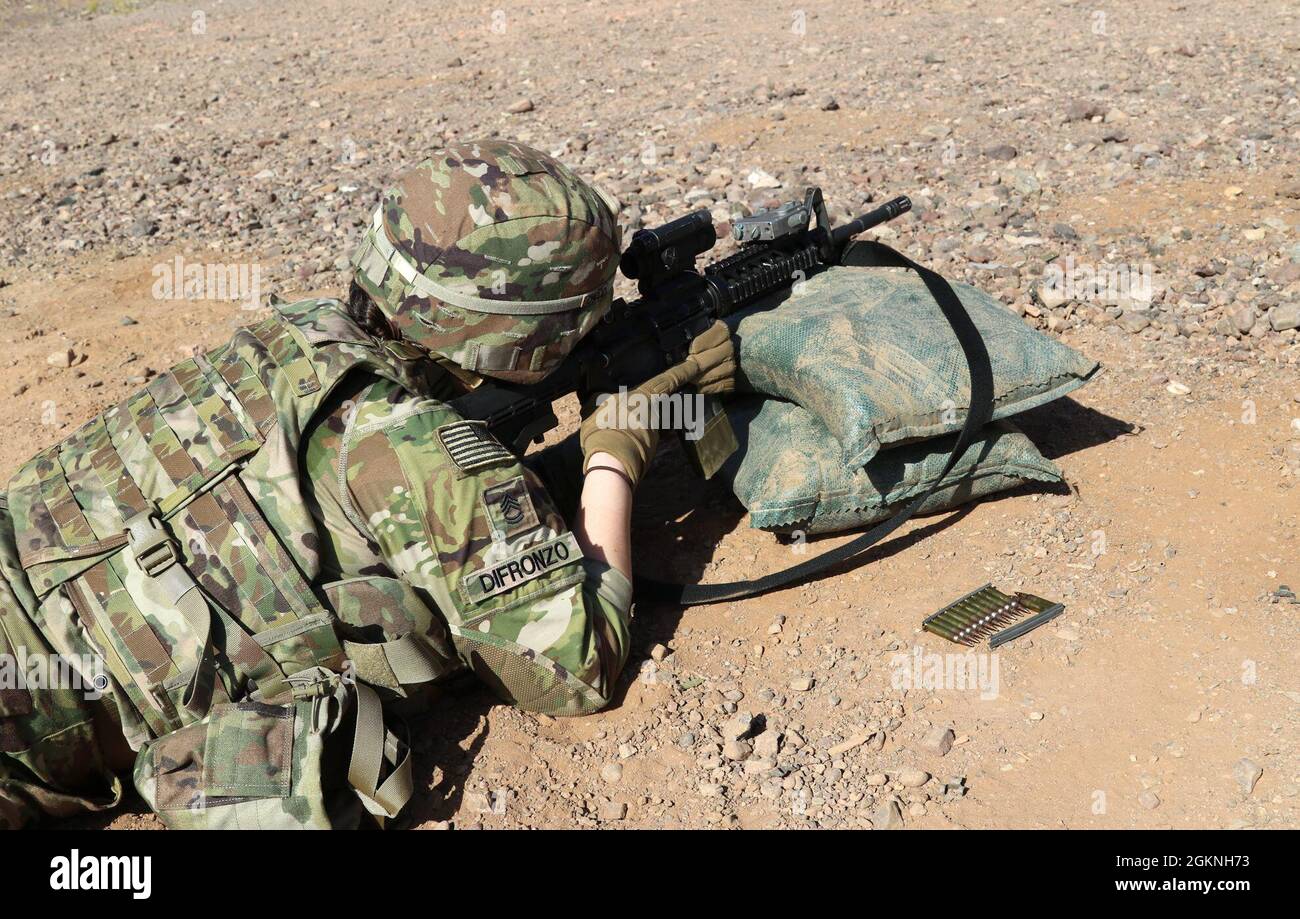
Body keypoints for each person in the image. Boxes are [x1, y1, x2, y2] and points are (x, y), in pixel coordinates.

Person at [0, 139, 735, 828]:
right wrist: (615, 450)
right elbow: (581, 667)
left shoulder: (294, 336)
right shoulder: (417, 450)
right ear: (520, 335)